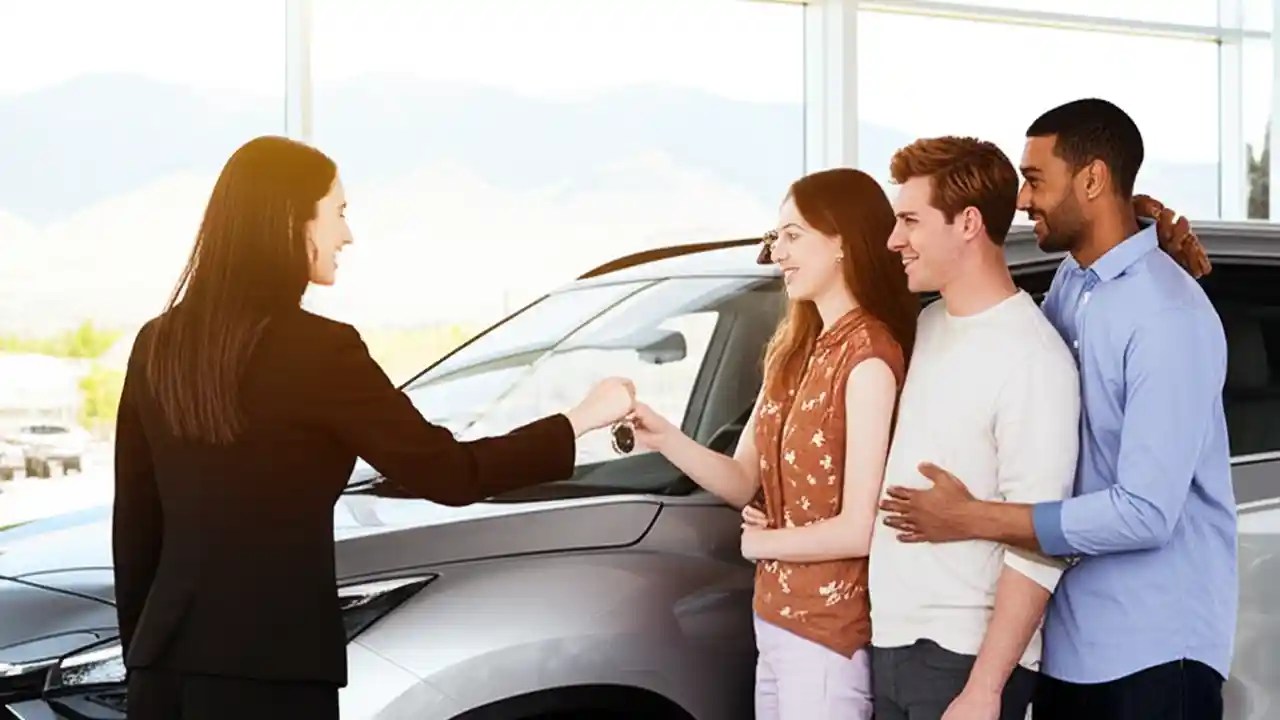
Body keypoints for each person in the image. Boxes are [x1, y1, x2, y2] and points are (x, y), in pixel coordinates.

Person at [112, 135, 635, 720]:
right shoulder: (321, 351)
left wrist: (142, 657)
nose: (347, 235)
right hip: (270, 676)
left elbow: (135, 529)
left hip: (161, 673)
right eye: (338, 212)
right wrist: (579, 419)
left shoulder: (157, 343)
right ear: (291, 221)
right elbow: (451, 472)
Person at [880, 98, 1236, 720]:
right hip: (1068, 647)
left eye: (1036, 179)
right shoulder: (1073, 284)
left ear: (1092, 179)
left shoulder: (1168, 316)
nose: (1022, 199)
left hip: (1154, 652)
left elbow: (1146, 513)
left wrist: (973, 516)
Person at [626, 168, 918, 718]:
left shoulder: (869, 358)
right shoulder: (795, 349)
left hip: (829, 634)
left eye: (792, 236)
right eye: (775, 236)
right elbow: (743, 480)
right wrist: (664, 436)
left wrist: (764, 544)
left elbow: (860, 528)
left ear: (842, 242)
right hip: (773, 619)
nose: (777, 252)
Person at [867, 136, 1081, 720]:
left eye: (910, 221)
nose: (893, 240)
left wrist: (985, 689)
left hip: (963, 660)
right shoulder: (931, 324)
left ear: (967, 223)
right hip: (894, 643)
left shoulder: (1033, 358)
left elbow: (1041, 543)